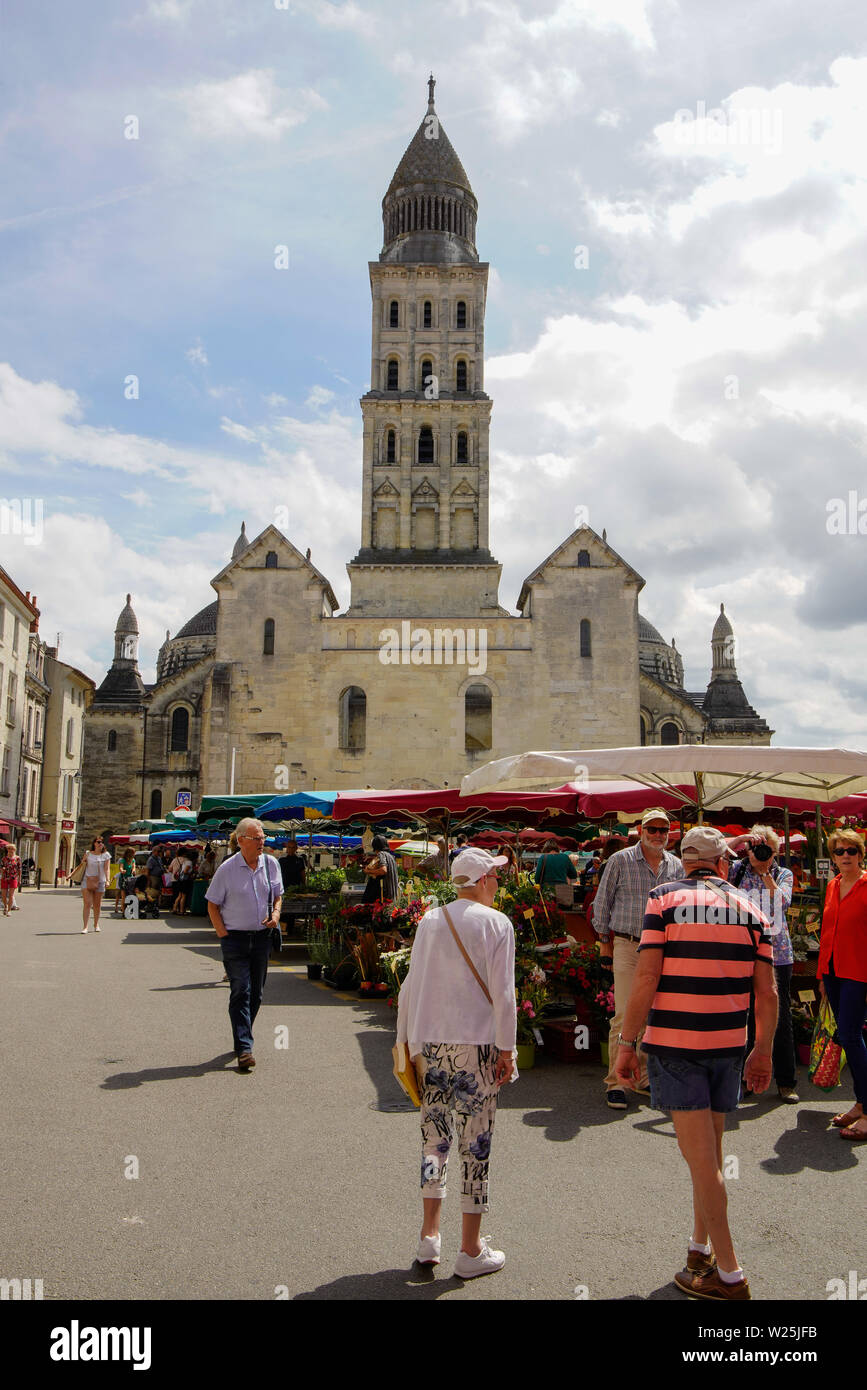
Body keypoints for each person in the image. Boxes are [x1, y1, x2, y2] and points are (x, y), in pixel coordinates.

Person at [615, 825, 776, 1300]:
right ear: (723, 862)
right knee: (707, 1157)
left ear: (685, 861)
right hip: (728, 1045)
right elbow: (766, 992)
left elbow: (646, 976)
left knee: (703, 1163)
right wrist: (762, 1051)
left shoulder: (663, 900)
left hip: (677, 1044)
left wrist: (627, 1043)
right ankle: (697, 1248)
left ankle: (730, 1273)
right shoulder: (751, 909)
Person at [396, 847, 516, 1279]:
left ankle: (430, 1236)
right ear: (482, 879)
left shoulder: (430, 920)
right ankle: (470, 1247)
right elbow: (504, 994)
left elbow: (412, 984)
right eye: (496, 876)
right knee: (476, 1146)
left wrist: (408, 1041)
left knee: (435, 1140)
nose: (498, 883)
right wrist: (509, 1048)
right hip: (477, 1044)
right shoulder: (497, 923)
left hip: (431, 1045)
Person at [592, 808, 685, 1109]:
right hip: (628, 945)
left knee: (652, 1015)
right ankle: (616, 1082)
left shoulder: (676, 866)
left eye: (663, 829)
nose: (658, 834)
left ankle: (642, 1077)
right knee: (624, 1014)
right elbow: (601, 905)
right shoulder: (620, 860)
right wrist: (605, 943)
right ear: (641, 830)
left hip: (663, 949)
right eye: (652, 829)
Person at [205, 817, 283, 1073]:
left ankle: (242, 1035)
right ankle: (245, 1048)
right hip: (235, 939)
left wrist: (275, 915)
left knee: (257, 993)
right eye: (256, 838)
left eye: (263, 838)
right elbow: (212, 904)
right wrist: (223, 934)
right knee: (241, 989)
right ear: (241, 841)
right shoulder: (227, 869)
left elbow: (278, 896)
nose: (262, 842)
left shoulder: (271, 864)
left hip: (262, 937)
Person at [727, 826, 797, 1102]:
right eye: (759, 848)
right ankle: (743, 1078)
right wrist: (742, 842)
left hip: (777, 954)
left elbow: (784, 902)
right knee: (742, 1015)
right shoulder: (736, 870)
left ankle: (786, 1081)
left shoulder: (782, 874)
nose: (763, 853)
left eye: (768, 849)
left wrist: (765, 871)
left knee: (780, 1018)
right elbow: (714, 860)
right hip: (741, 951)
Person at [817, 828, 867, 1140]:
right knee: (849, 1037)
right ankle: (860, 1103)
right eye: (839, 851)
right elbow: (827, 931)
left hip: (859, 972)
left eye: (851, 850)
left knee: (851, 1036)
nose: (845, 856)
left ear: (861, 855)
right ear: (833, 857)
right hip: (834, 971)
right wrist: (822, 974)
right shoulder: (833, 885)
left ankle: (866, 1107)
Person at [71, 836, 111, 933]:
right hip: (87, 879)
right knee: (87, 903)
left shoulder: (106, 855)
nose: (100, 844)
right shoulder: (88, 854)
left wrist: (107, 880)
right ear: (94, 843)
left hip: (100, 881)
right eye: (98, 842)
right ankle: (85, 927)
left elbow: (107, 869)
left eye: (102, 842)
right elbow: (82, 865)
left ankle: (96, 924)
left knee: (97, 904)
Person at [534, 840, 578, 907]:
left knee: (549, 913)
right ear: (557, 848)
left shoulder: (543, 857)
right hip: (564, 890)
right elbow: (574, 875)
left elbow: (537, 879)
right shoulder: (565, 857)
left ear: (545, 849)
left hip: (548, 890)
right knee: (563, 914)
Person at [362, 834, 400, 904]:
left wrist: (368, 871)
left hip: (384, 894)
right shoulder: (391, 856)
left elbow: (383, 870)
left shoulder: (381, 854)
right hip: (391, 893)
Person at [172, 849, 197, 916]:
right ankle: (182, 911)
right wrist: (191, 874)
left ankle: (174, 908)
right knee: (183, 896)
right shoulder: (189, 863)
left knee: (179, 895)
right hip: (185, 881)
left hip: (180, 880)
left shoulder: (185, 862)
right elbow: (186, 871)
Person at [114, 848, 137, 915]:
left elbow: (133, 867)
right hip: (123, 879)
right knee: (123, 895)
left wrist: (133, 871)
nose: (134, 854)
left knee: (130, 894)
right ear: (129, 853)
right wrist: (122, 870)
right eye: (133, 853)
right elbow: (121, 867)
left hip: (130, 879)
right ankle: (123, 911)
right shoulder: (123, 860)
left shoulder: (133, 860)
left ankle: (130, 909)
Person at [1, 843, 21, 916]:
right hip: (4, 877)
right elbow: (1, 867)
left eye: (12, 849)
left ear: (14, 850)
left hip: (13, 877)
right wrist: (2, 869)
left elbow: (19, 869)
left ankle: (9, 910)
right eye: (9, 849)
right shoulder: (4, 859)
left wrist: (19, 879)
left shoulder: (17, 858)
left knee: (11, 895)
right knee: (3, 895)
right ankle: (5, 907)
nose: (10, 850)